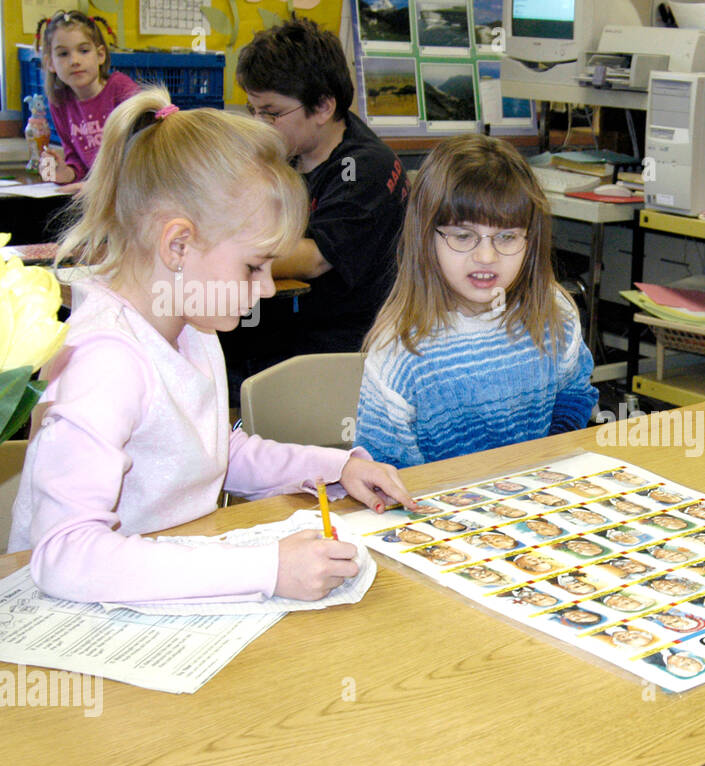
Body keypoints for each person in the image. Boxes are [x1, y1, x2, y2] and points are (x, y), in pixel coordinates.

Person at [7, 89, 415, 605]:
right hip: (74, 621)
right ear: (178, 245)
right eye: (254, 266)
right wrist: (264, 567)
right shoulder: (105, 359)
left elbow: (212, 453)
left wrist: (335, 467)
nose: (268, 288)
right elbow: (64, 554)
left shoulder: (192, 326)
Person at [355, 134, 598, 466]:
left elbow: (573, 398)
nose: (486, 256)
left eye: (507, 236)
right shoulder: (400, 352)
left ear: (531, 240)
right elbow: (386, 473)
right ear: (426, 238)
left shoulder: (554, 313)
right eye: (463, 235)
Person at [225, 17, 408, 397]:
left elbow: (313, 257)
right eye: (253, 110)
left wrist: (222, 255)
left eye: (271, 113)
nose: (259, 124)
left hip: (331, 353)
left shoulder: (366, 167)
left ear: (323, 107)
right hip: (273, 330)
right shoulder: (285, 152)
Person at [35, 11, 139, 186]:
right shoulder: (60, 103)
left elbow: (143, 152)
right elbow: (76, 162)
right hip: (97, 193)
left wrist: (97, 187)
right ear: (50, 63)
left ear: (100, 55)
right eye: (63, 54)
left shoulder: (120, 89)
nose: (74, 61)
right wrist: (64, 173)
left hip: (133, 188)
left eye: (83, 51)